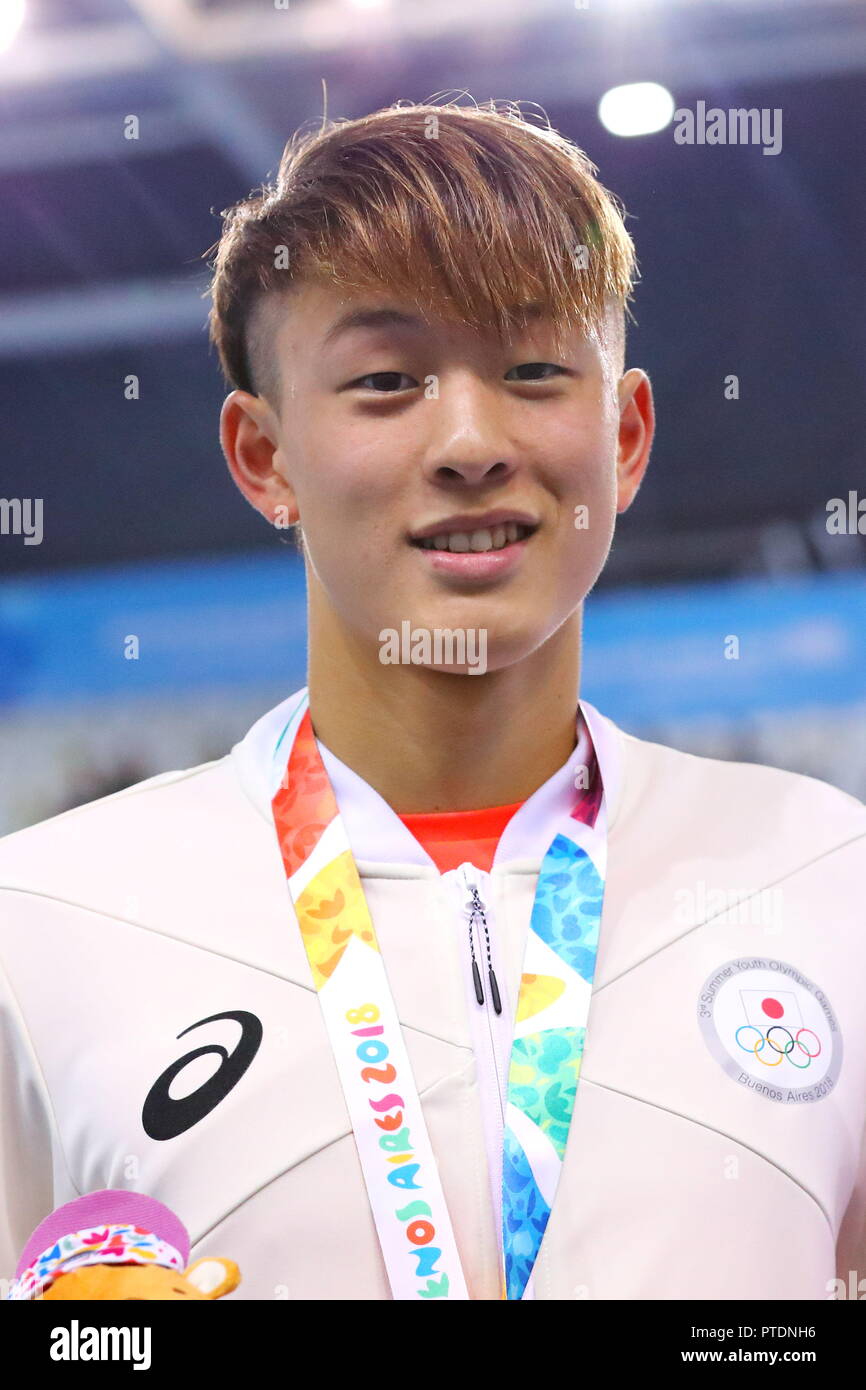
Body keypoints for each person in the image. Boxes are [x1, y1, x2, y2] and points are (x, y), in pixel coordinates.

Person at [1, 99, 865, 1302]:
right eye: (385, 378)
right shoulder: (45, 925)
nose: (468, 440)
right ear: (265, 459)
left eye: (530, 369)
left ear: (622, 439)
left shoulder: (824, 877)